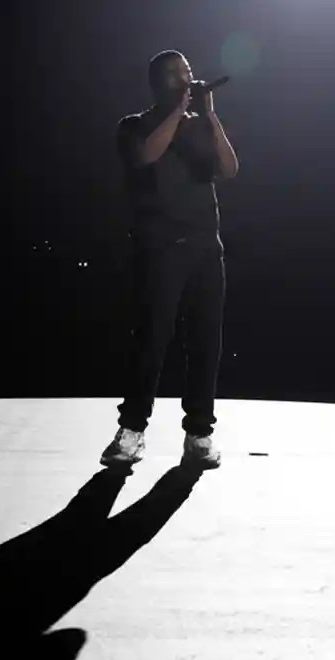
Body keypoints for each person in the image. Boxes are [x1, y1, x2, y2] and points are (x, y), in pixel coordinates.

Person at [101, 49, 239, 469]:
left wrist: (210, 116)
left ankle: (199, 434)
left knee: (206, 342)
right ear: (159, 82)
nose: (187, 78)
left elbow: (229, 169)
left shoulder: (199, 125)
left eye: (189, 71)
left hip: (206, 248)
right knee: (152, 340)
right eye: (178, 73)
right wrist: (179, 111)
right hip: (161, 248)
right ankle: (131, 431)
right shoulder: (134, 126)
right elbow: (147, 155)